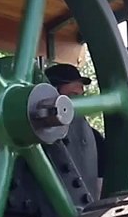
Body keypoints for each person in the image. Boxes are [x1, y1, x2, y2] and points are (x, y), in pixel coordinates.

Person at [45, 63, 105, 192]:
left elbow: (99, 186)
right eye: (73, 96)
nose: (78, 103)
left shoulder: (94, 140)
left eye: (81, 96)